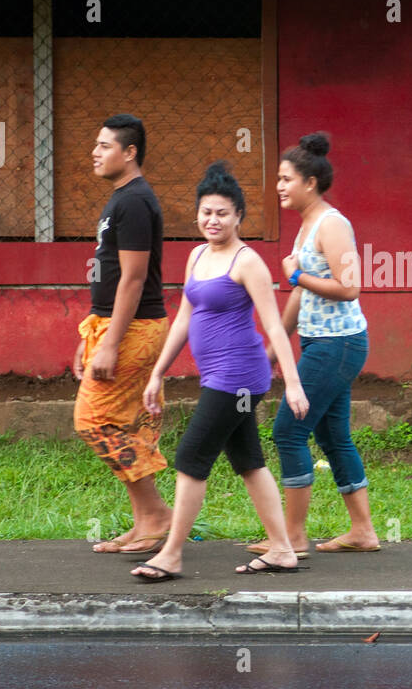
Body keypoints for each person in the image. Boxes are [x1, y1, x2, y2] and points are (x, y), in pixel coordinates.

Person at [131, 162, 309, 581]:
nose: (213, 220)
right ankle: (282, 549)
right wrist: (157, 372)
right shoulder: (196, 255)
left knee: (192, 455)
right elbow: (183, 320)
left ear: (238, 218)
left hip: (240, 378)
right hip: (216, 375)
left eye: (223, 213)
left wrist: (294, 384)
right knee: (248, 459)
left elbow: (275, 327)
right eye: (207, 212)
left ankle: (171, 554)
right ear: (198, 213)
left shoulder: (249, 263)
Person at [246, 132, 380, 558]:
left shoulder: (333, 225)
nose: (280, 187)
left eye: (286, 179)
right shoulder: (307, 226)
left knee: (289, 430)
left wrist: (295, 276)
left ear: (310, 182)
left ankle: (293, 538)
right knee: (333, 435)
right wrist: (273, 348)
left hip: (338, 345)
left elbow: (350, 287)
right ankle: (363, 531)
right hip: (321, 343)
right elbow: (301, 296)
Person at [74, 114, 173, 554]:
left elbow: (133, 279)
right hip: (118, 324)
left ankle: (156, 515)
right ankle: (146, 520)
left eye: (104, 145)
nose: (95, 153)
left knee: (94, 420)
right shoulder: (124, 199)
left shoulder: (133, 201)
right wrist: (92, 333)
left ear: (129, 152)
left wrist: (111, 342)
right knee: (124, 421)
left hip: (134, 329)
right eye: (95, 145)